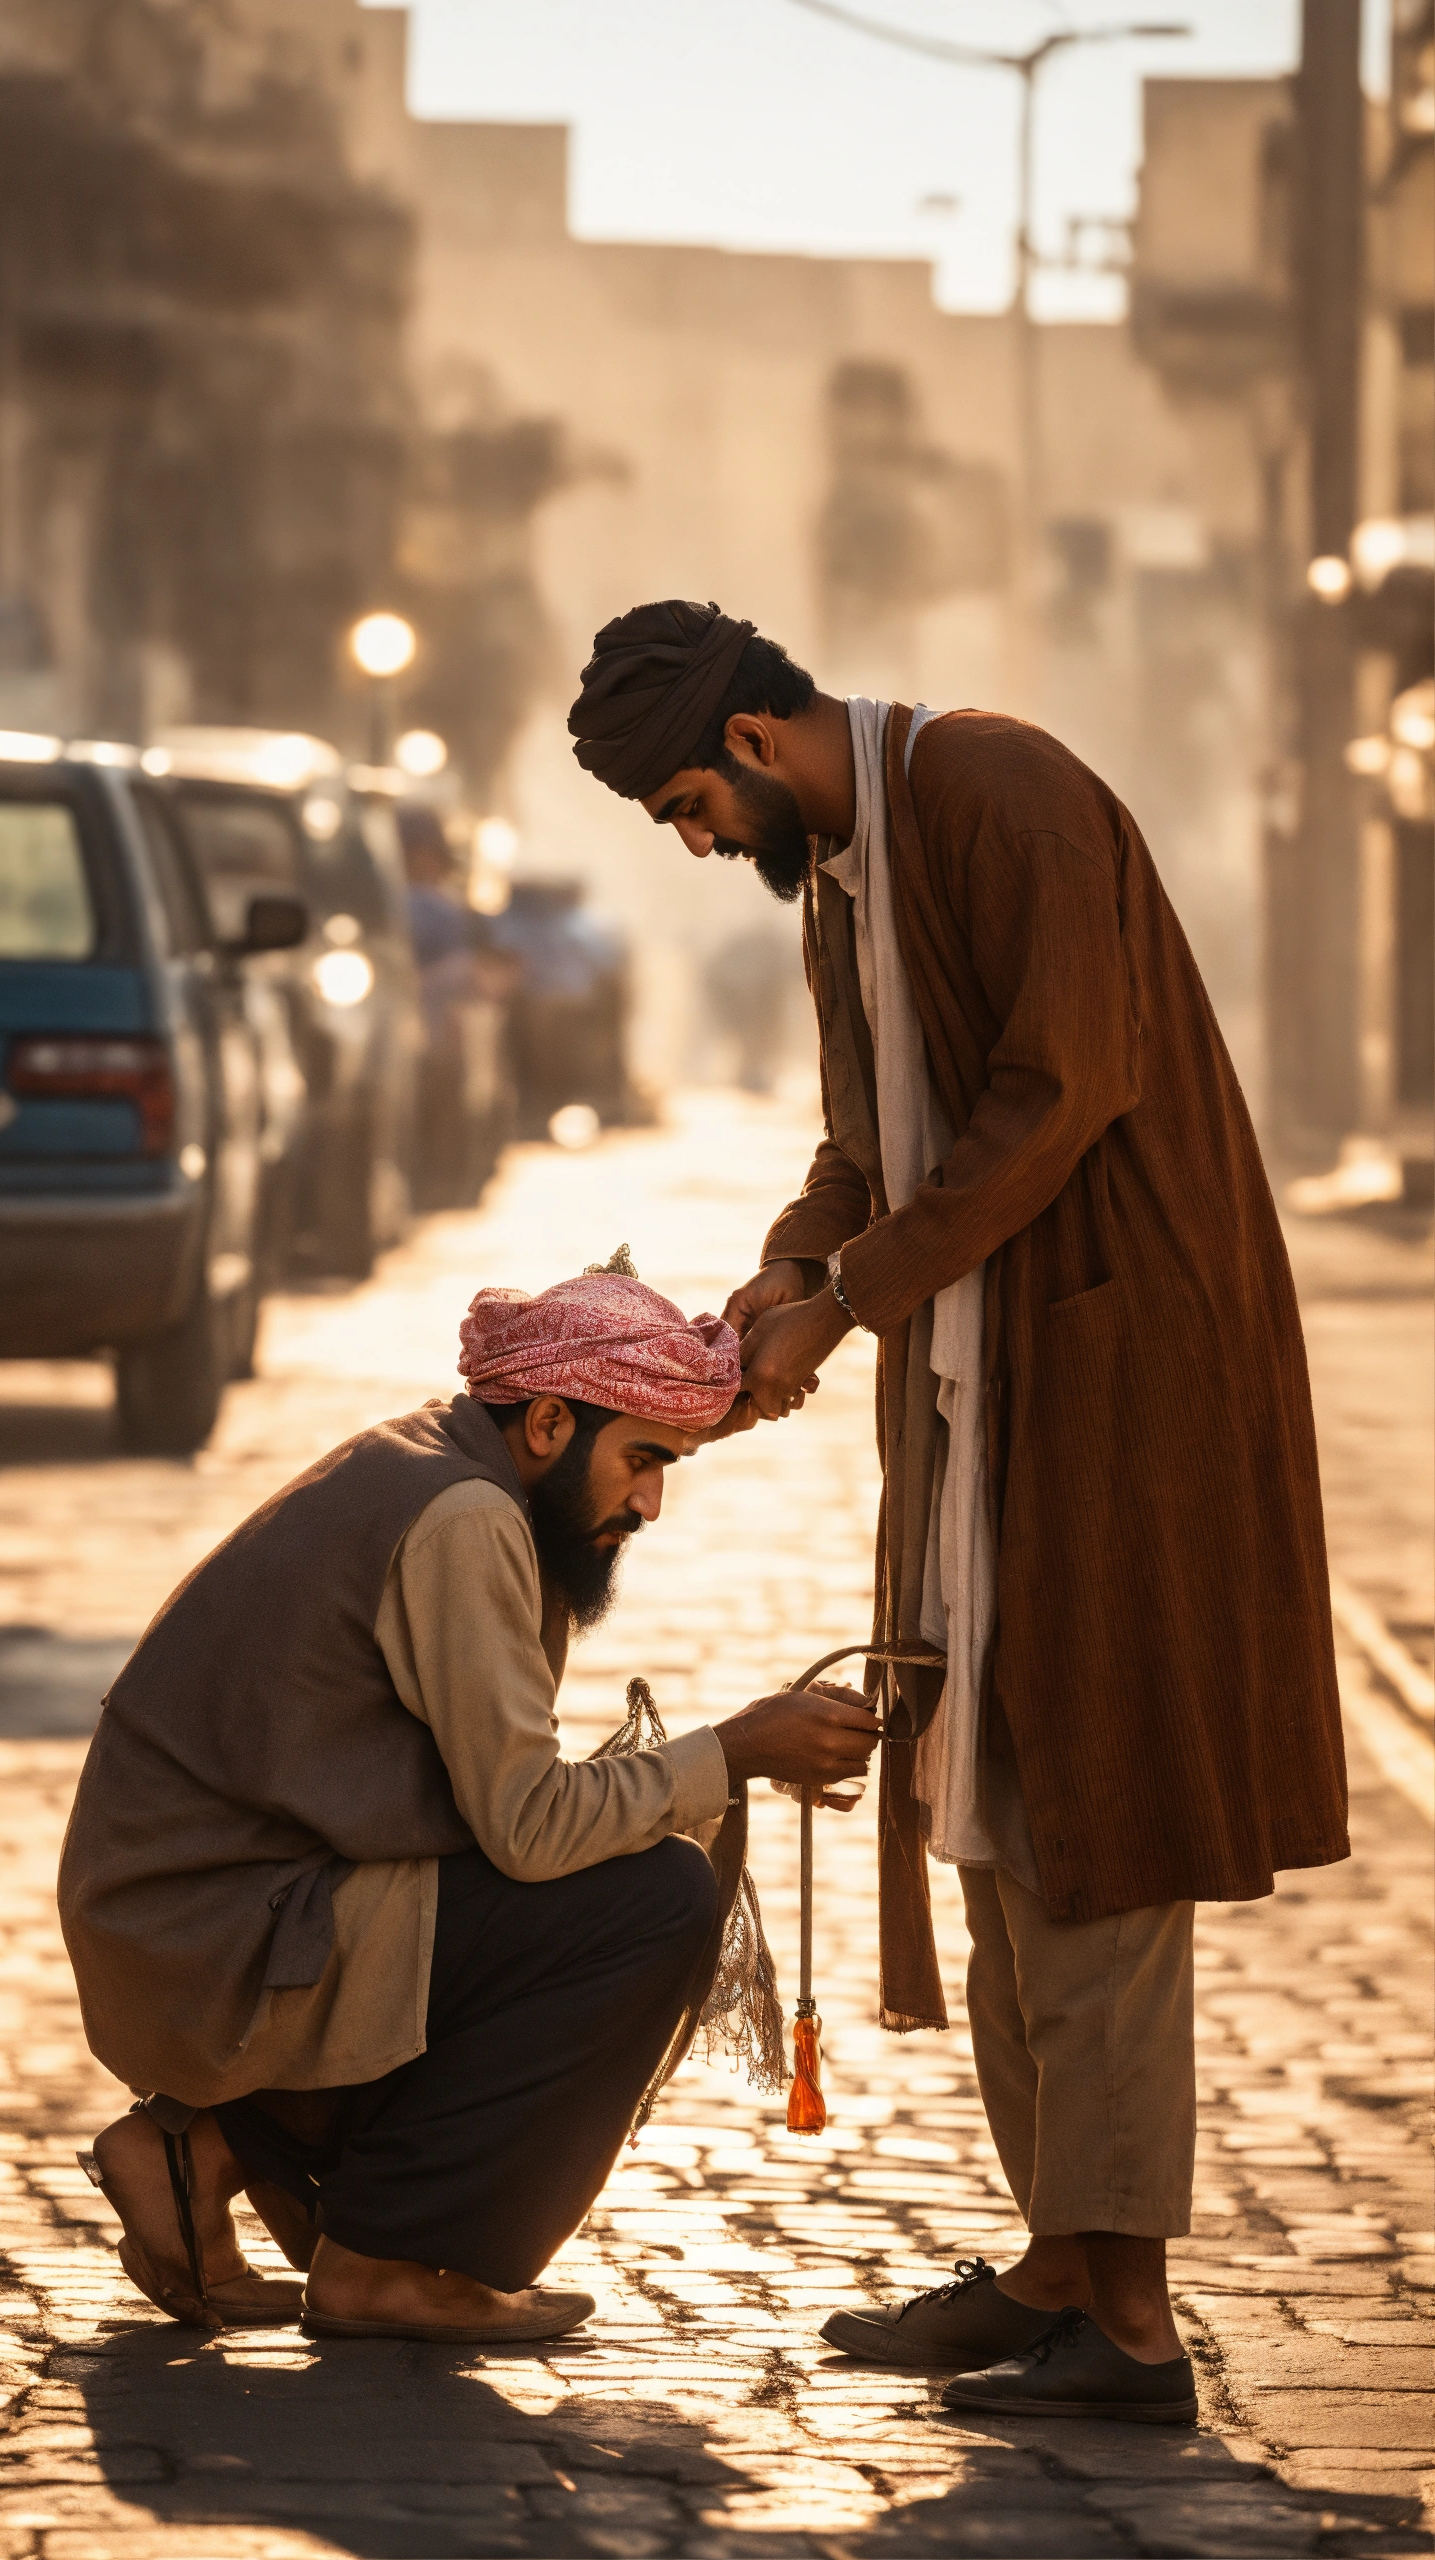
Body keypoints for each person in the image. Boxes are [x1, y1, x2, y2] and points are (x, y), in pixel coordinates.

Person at [567, 599, 1349, 2427]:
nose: (694, 846)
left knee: (1101, 1819)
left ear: (756, 744)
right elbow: (869, 1149)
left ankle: (1129, 2327)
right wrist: (782, 1284)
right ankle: (1063, 2263)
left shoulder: (1000, 793)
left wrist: (854, 1296)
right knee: (992, 1801)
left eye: (689, 805)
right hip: (981, 1400)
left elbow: (1058, 1090)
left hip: (1115, 1382)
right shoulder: (848, 878)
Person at [59, 1261, 880, 2347]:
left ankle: (197, 2153)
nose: (650, 1501)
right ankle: (382, 2261)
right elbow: (528, 1826)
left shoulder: (446, 1457)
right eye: (644, 1460)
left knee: (608, 1849)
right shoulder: (464, 1518)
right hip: (211, 1943)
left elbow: (486, 1809)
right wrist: (736, 1748)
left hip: (194, 1921)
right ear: (546, 1421)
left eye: (667, 1462)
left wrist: (690, 1418)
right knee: (652, 1897)